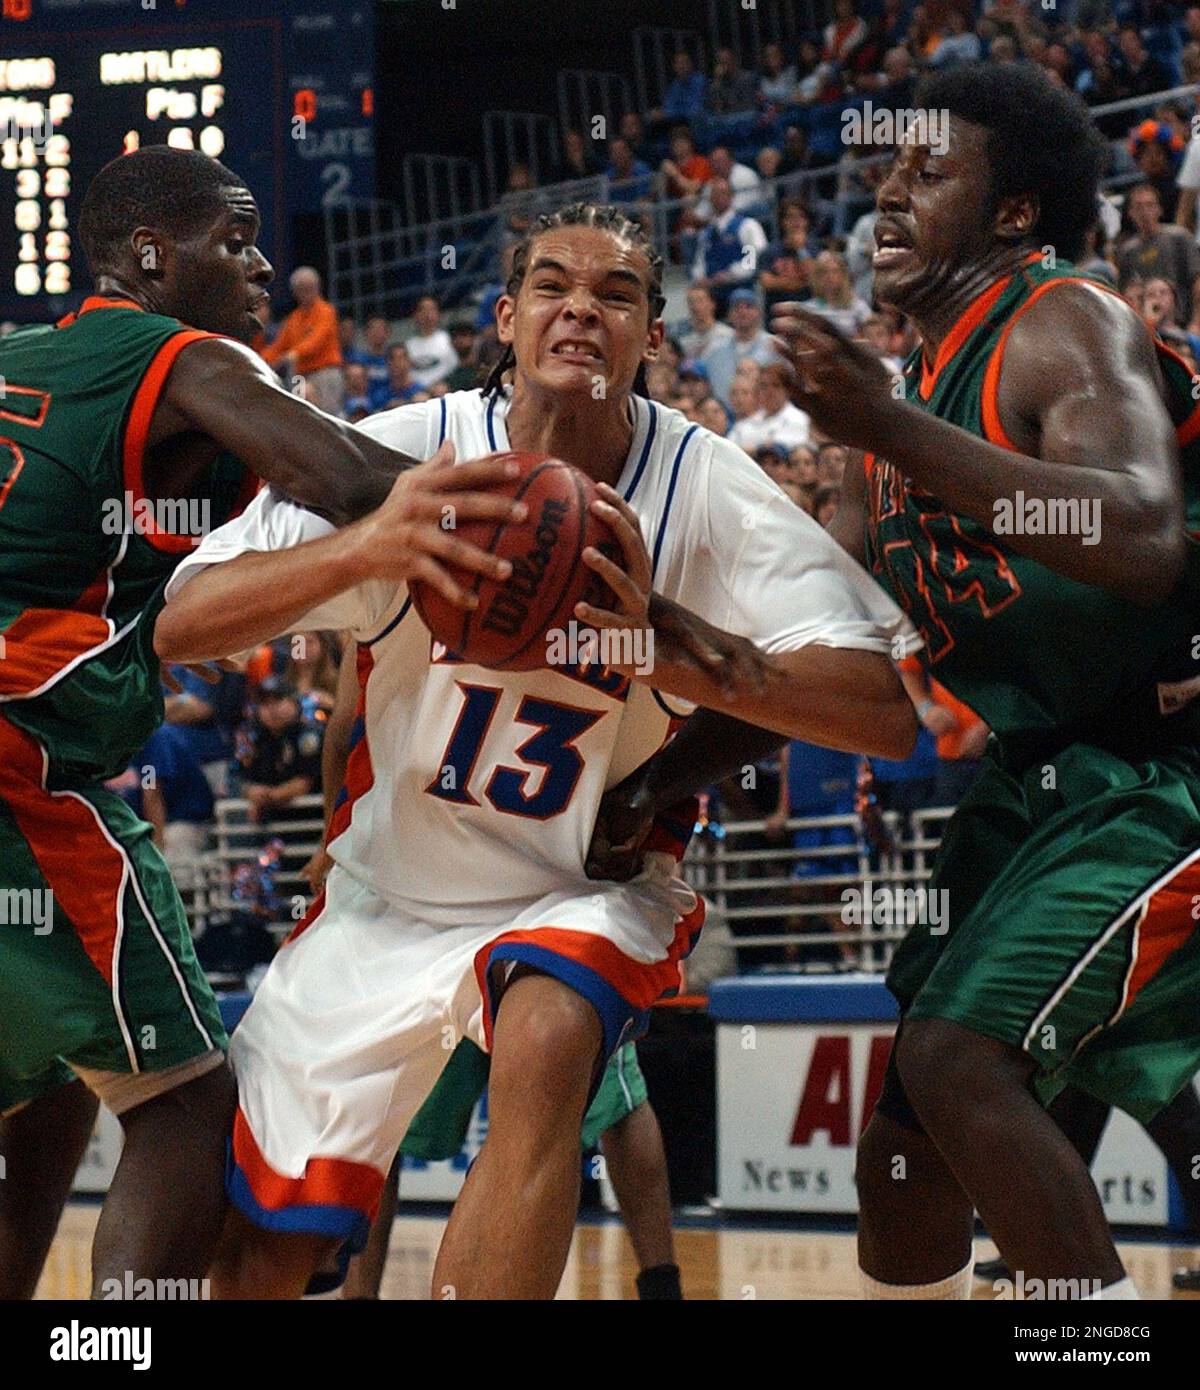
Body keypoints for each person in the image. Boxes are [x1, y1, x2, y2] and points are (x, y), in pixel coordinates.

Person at [155, 201, 918, 1300]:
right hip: (386, 898)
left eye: (616, 294)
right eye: (553, 285)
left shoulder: (707, 485)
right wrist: (370, 542)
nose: (581, 308)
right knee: (261, 1255)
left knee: (553, 1035)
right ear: (507, 319)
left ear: (653, 337)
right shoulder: (410, 450)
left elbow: (877, 708)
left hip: (579, 884)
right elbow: (186, 621)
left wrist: (660, 640)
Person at [0, 145, 518, 1300]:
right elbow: (344, 478)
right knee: (188, 1103)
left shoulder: (17, 357)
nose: (261, 263)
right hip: (22, 761)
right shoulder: (176, 351)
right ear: (148, 255)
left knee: (53, 1076)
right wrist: (531, 509)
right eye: (232, 240)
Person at [767, 63, 1200, 1300]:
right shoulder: (894, 413)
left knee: (963, 1059)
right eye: (883, 172)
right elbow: (816, 627)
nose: (887, 194)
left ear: (1013, 213)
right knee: (903, 1159)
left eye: (927, 171)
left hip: (1166, 766)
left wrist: (887, 430)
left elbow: (1137, 538)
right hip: (1049, 780)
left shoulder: (1065, 317)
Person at [261, 266, 344, 416]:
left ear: (318, 288)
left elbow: (316, 340)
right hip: (300, 375)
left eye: (310, 288)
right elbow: (278, 347)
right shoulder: (293, 319)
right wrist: (258, 359)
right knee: (302, 416)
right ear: (295, 292)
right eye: (302, 289)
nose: (307, 292)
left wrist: (293, 354)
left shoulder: (327, 311)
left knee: (328, 419)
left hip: (324, 371)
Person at [1117, 183, 1200, 319]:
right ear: (1130, 213)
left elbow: (1197, 280)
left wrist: (1197, 322)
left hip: (1184, 319)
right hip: (1149, 323)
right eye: (1138, 207)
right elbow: (1127, 293)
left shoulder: (1179, 237)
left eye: (1150, 205)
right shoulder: (1128, 251)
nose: (1144, 212)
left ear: (1159, 209)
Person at [690, 179, 768, 315]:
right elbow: (700, 262)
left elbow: (752, 260)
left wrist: (729, 275)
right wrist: (700, 278)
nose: (718, 198)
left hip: (741, 290)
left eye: (723, 193)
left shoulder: (747, 225)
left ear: (731, 196)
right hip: (714, 294)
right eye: (715, 194)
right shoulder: (706, 233)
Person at [406, 295, 459, 391]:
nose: (427, 314)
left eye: (431, 309)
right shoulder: (408, 346)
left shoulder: (448, 339)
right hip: (417, 394)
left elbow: (455, 367)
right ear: (415, 315)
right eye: (423, 310)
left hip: (444, 391)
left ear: (438, 314)